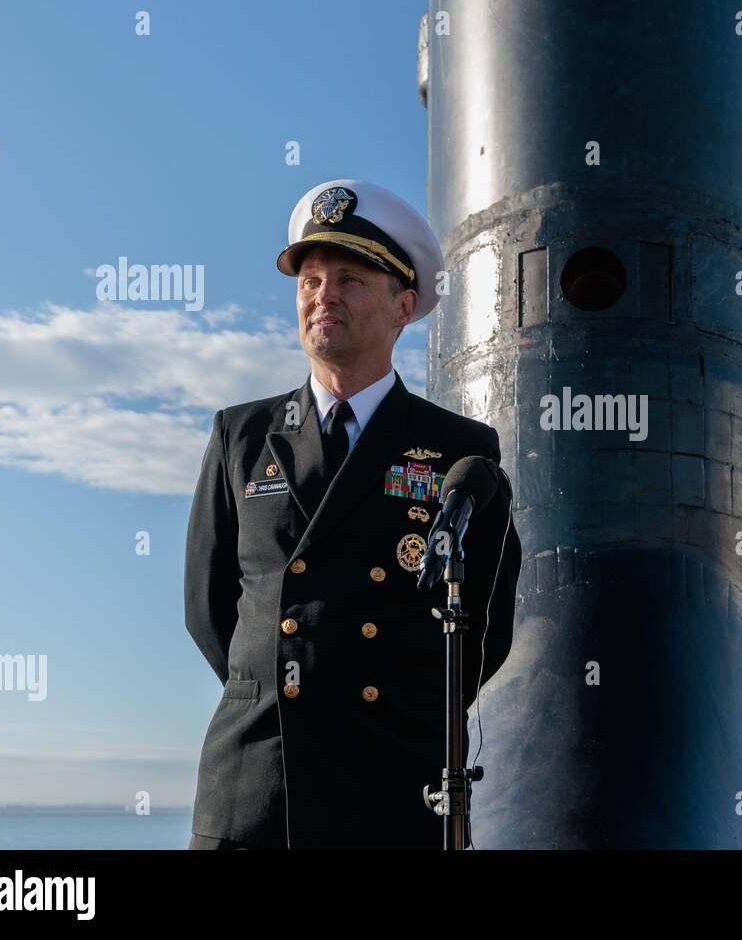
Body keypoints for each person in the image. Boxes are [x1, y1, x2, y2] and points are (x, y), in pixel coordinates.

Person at [185, 179, 521, 848]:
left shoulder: (461, 450)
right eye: (309, 279)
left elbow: (485, 626)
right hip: (255, 790)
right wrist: (287, 690)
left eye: (349, 278)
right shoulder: (242, 437)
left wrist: (389, 703)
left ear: (403, 305)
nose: (323, 295)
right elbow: (209, 608)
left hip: (389, 783)